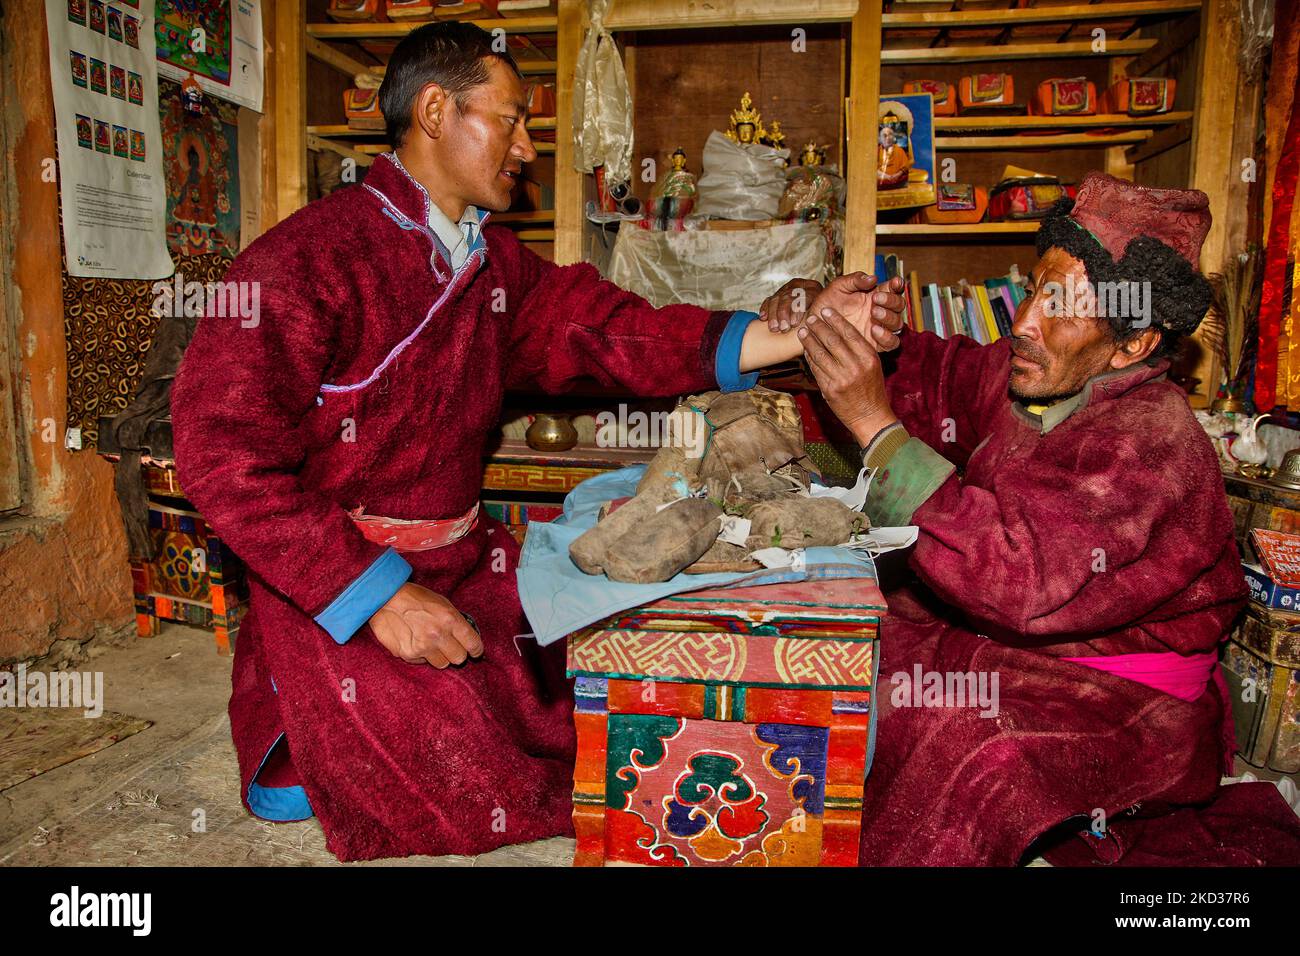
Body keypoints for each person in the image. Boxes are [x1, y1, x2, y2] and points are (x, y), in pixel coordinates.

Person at [169, 21, 904, 861]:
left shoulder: (494, 265)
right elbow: (221, 455)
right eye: (511, 119)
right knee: (446, 776)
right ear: (436, 110)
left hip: (458, 559)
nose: (526, 145)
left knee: (591, 714)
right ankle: (301, 711)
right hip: (340, 581)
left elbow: (612, 331)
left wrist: (803, 332)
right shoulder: (304, 260)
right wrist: (382, 599)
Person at [762, 172, 1300, 865]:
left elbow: (1018, 581)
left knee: (965, 745)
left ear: (1133, 345)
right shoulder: (1036, 372)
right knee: (812, 643)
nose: (1023, 323)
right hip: (1016, 653)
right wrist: (832, 321)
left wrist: (873, 423)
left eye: (1063, 305)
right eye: (1035, 290)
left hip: (1119, 697)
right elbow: (932, 368)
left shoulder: (1151, 438)